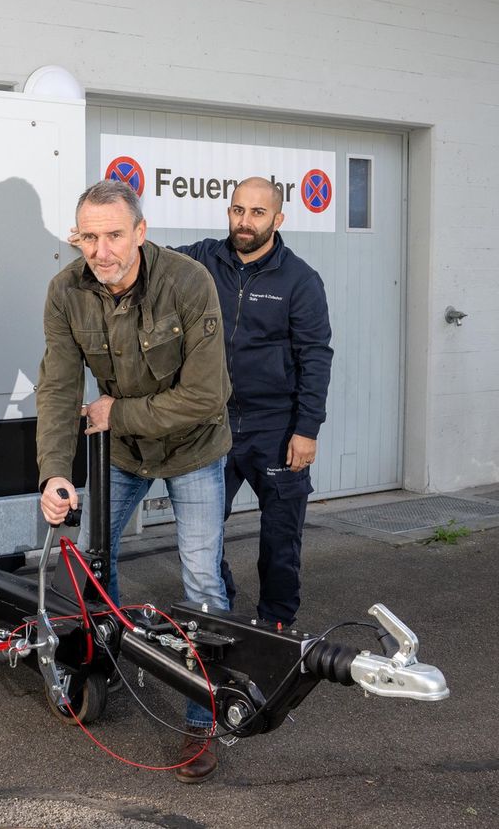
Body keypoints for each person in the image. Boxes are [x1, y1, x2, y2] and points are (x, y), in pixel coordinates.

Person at [36, 179, 231, 782]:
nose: (101, 250)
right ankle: (108, 661)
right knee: (90, 562)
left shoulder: (187, 282)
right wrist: (55, 474)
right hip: (121, 453)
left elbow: (206, 396)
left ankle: (203, 723)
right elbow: (60, 386)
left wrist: (117, 412)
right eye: (89, 237)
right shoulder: (67, 291)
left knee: (201, 582)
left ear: (140, 233)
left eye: (114, 235)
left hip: (194, 449)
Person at [174, 176, 333, 629]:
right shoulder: (203, 259)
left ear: (278, 219)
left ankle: (276, 625)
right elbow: (149, 260)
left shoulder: (300, 279)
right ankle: (221, 605)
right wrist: (100, 242)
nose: (245, 222)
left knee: (280, 539)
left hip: (276, 428)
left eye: (257, 213)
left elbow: (315, 357)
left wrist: (307, 430)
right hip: (213, 424)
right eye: (238, 210)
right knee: (204, 532)